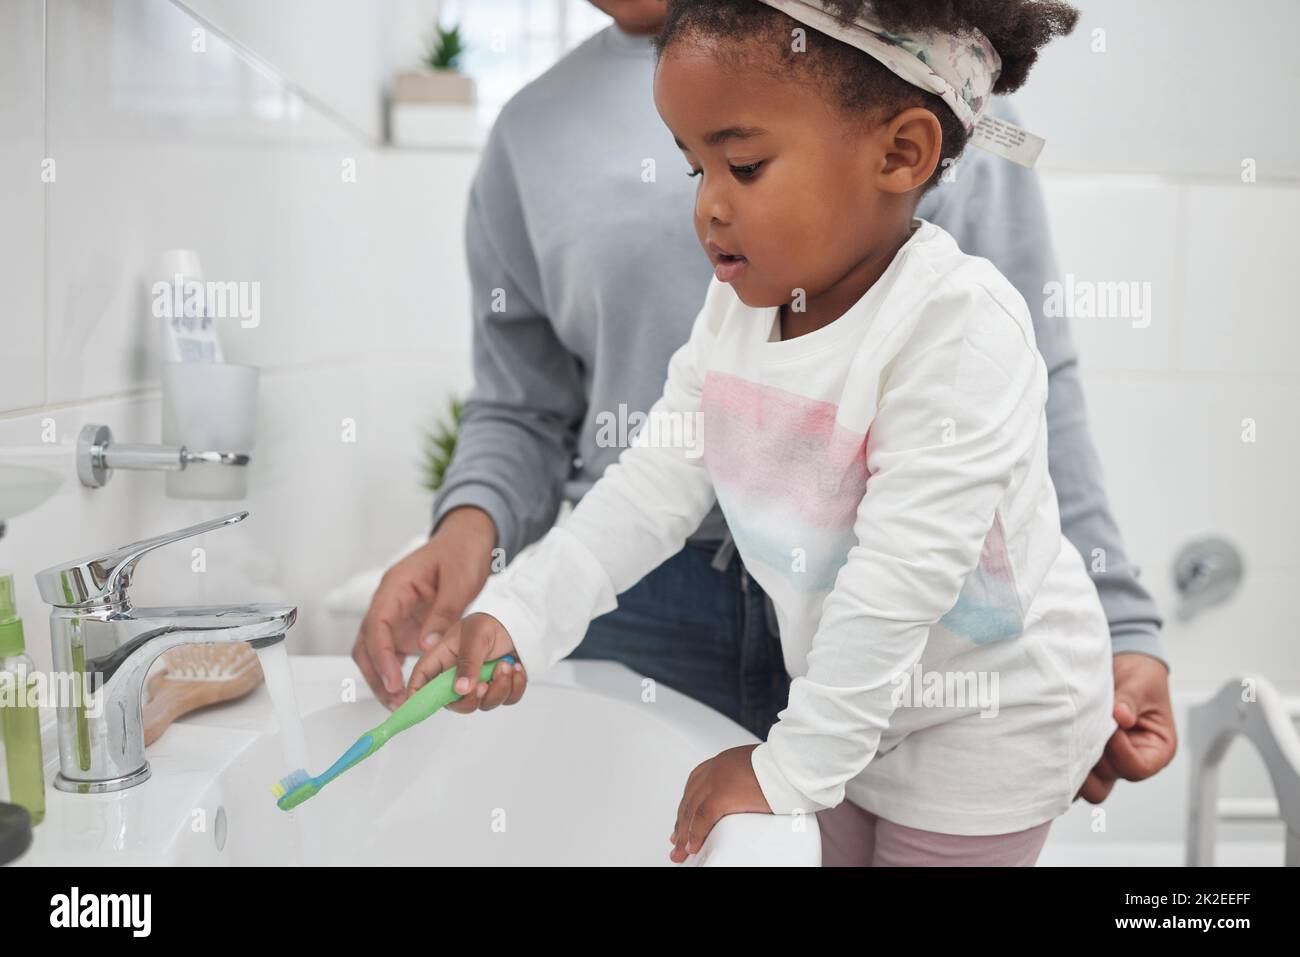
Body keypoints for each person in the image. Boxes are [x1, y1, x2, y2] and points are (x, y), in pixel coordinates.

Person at [352, 0, 1176, 854]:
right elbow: (644, 490)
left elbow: (898, 582)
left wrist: (787, 769)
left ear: (900, 153)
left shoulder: (958, 328)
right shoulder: (737, 315)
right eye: (692, 168)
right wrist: (517, 609)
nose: (707, 207)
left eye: (742, 166)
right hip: (858, 705)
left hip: (989, 721)